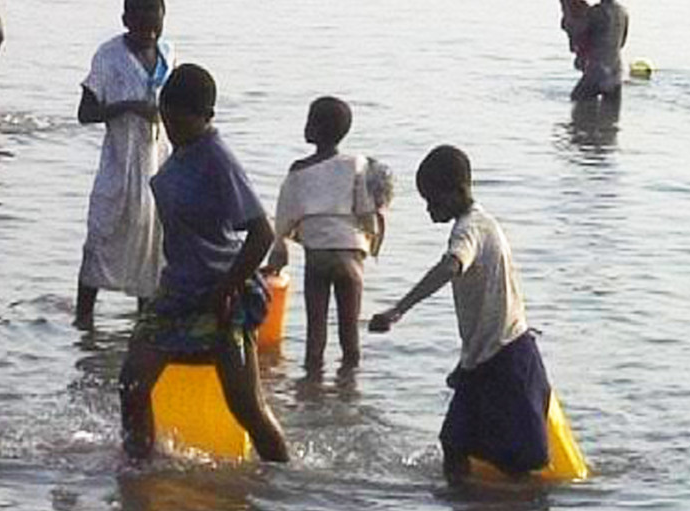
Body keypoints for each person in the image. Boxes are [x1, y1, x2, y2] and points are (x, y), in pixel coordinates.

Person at [117, 63, 288, 462]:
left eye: (181, 120)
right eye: (167, 117)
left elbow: (261, 233)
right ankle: (139, 467)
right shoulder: (179, 156)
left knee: (246, 407)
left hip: (222, 297)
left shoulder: (216, 158)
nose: (172, 128)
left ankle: (285, 482)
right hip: (177, 292)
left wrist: (227, 287)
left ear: (205, 117)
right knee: (132, 384)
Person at [369, 145, 551, 483]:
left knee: (519, 460)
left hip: (507, 355)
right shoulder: (481, 224)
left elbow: (450, 266)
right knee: (454, 442)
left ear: (458, 191)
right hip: (482, 358)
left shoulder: (471, 229)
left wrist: (398, 309)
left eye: (433, 201)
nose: (428, 210)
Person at [74, 0, 174, 329]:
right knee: (101, 241)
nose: (146, 22)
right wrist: (129, 106)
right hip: (120, 166)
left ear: (163, 17)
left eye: (153, 13)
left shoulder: (168, 55)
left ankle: (144, 329)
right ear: (125, 18)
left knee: (152, 251)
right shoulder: (109, 56)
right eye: (139, 14)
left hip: (158, 167)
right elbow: (85, 113)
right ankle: (84, 324)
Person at [267, 97, 377, 377]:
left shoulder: (298, 171)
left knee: (315, 334)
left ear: (315, 128)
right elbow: (366, 211)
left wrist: (279, 251)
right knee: (349, 335)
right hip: (350, 256)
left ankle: (311, 388)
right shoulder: (357, 165)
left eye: (309, 120)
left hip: (318, 257)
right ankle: (348, 390)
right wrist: (373, 235)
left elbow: (284, 218)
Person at [559, 0, 628, 102]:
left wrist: (567, 20)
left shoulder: (596, 12)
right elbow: (621, 43)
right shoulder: (623, 12)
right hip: (616, 74)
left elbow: (579, 34)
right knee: (610, 114)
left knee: (577, 103)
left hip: (596, 72)